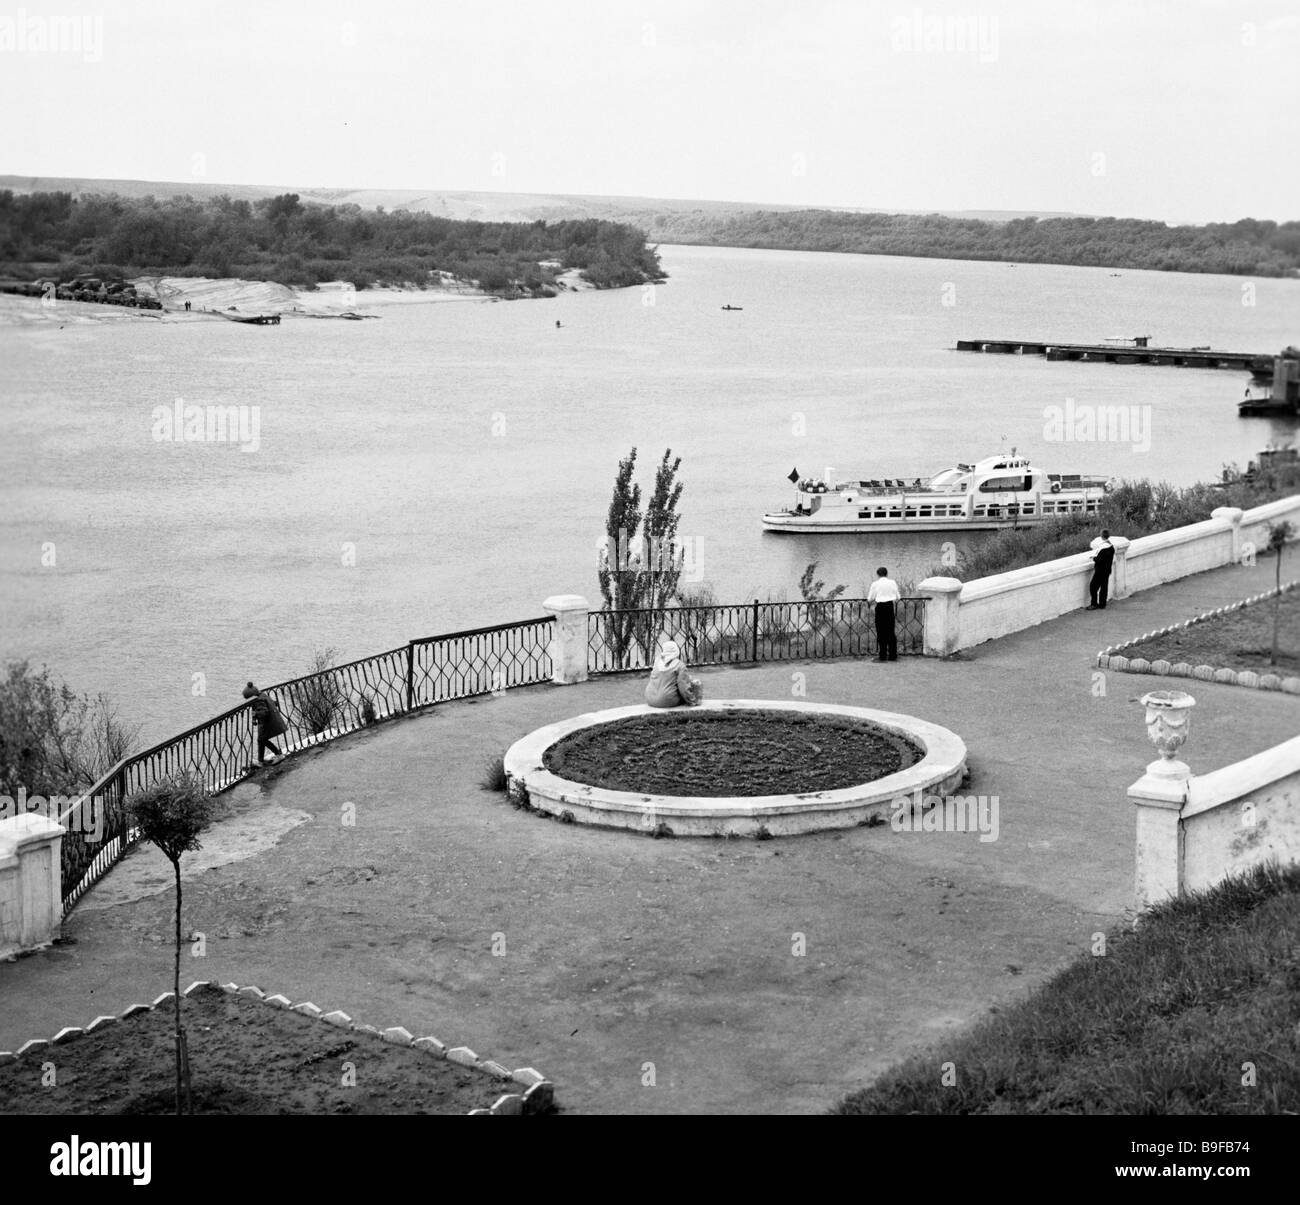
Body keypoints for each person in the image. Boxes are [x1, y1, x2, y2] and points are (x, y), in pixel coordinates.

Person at [644, 639, 703, 708]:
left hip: (650, 698)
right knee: (693, 684)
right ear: (676, 651)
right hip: (666, 700)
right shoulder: (680, 666)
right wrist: (693, 700)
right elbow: (683, 688)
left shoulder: (657, 661)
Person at [243, 682, 287, 765]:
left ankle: (278, 754)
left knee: (262, 740)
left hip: (267, 723)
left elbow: (264, 712)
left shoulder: (258, 700)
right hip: (270, 720)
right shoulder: (262, 695)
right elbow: (273, 703)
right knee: (261, 740)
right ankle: (260, 760)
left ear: (252, 697)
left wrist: (256, 714)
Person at [868, 566, 900, 661]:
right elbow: (898, 597)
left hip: (880, 608)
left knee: (881, 631)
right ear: (887, 574)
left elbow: (870, 598)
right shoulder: (892, 582)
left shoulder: (875, 584)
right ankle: (893, 655)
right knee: (890, 631)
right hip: (890, 607)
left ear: (878, 574)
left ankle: (882, 655)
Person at [1088, 529, 1115, 609]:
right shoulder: (1111, 547)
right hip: (1107, 570)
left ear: (1101, 536)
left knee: (1093, 586)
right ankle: (1102, 604)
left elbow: (1099, 560)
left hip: (1100, 571)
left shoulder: (1103, 548)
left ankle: (1094, 604)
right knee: (1104, 587)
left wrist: (1094, 558)